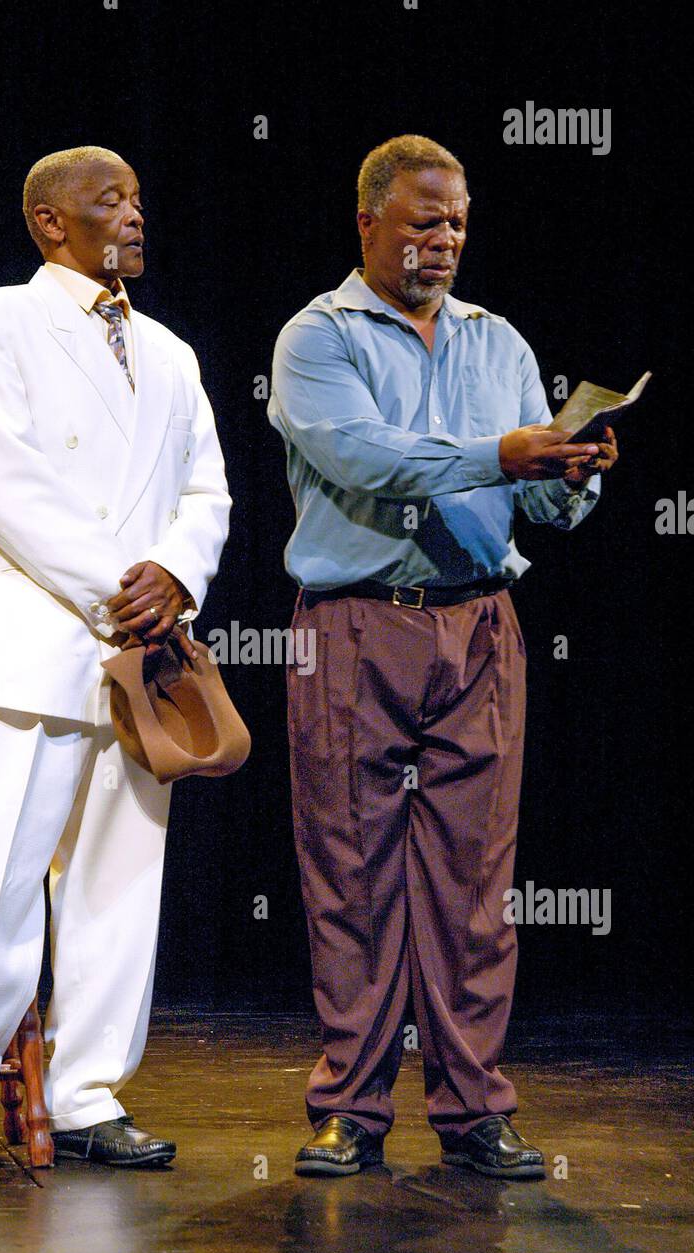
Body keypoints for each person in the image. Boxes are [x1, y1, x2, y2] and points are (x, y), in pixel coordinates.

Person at [268, 134, 617, 1179]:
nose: (444, 239)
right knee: (353, 874)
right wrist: (504, 452)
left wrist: (575, 467)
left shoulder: (496, 341)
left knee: (476, 881)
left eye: (457, 221)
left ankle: (474, 1108)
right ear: (368, 220)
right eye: (424, 220)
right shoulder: (316, 338)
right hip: (358, 624)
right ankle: (351, 1109)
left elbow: (536, 503)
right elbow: (368, 459)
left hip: (480, 626)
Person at [0, 145, 230, 1184]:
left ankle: (86, 1094)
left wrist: (174, 575)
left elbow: (206, 492)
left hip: (139, 659)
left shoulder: (172, 353)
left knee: (118, 885)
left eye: (137, 197)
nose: (133, 214)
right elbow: (5, 483)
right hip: (32, 644)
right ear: (51, 222)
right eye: (109, 201)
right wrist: (120, 587)